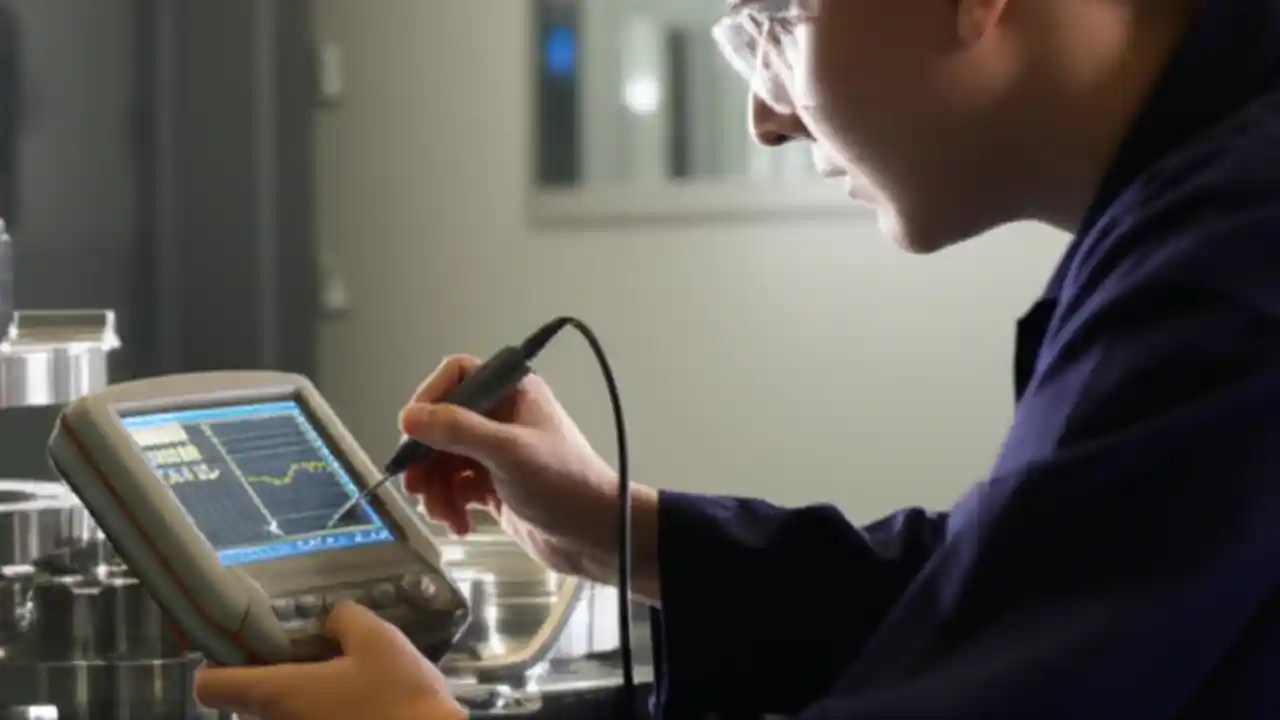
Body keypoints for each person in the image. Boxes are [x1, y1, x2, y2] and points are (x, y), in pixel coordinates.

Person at [194, 0, 1280, 717]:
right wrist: (624, 530)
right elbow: (1031, 591)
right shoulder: (1208, 215)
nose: (765, 115)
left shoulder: (1230, 269)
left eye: (774, 22)